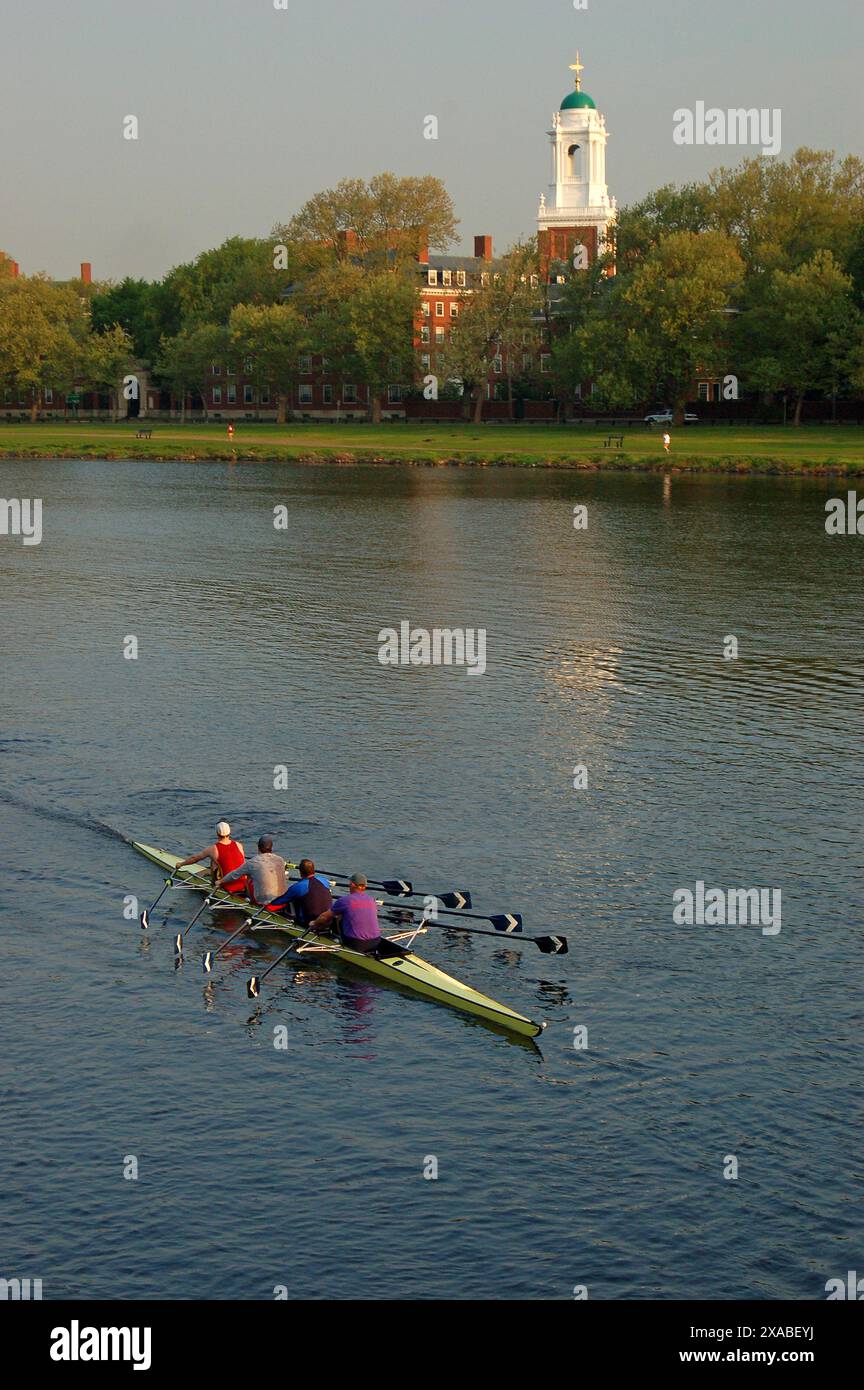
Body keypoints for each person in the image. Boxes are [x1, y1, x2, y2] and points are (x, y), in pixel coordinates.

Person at [310, 872, 381, 954]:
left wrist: (314, 923)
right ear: (365, 886)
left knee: (336, 917)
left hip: (356, 944)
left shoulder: (345, 900)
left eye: (350, 883)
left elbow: (324, 917)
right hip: (376, 941)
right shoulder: (372, 900)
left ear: (352, 885)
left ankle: (334, 938)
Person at [175, 822, 248, 895]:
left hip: (227, 887)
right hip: (244, 885)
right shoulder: (239, 845)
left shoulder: (213, 849)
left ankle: (213, 883)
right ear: (230, 832)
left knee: (213, 861)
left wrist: (181, 864)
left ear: (217, 833)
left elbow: (195, 859)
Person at [217, 836, 287, 906]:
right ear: (271, 848)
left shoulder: (252, 862)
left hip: (266, 904)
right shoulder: (280, 860)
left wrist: (220, 881)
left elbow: (234, 875)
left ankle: (252, 902)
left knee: (249, 879)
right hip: (284, 900)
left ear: (258, 848)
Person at [267, 859, 333, 925]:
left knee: (291, 899)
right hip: (328, 918)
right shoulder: (324, 881)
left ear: (300, 872)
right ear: (313, 870)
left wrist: (268, 901)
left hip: (310, 922)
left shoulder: (298, 887)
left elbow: (277, 902)